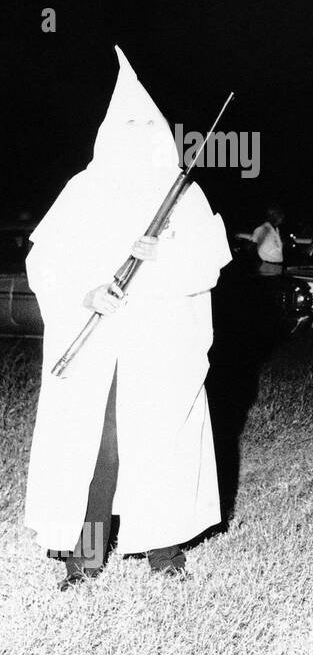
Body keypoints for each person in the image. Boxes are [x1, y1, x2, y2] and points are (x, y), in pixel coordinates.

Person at [24, 47, 232, 589]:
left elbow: (211, 260)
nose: (138, 133)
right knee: (100, 447)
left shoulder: (182, 193)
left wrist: (164, 256)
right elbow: (46, 259)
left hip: (161, 344)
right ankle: (86, 559)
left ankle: (163, 551)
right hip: (99, 351)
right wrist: (87, 292)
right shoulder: (83, 189)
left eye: (148, 123)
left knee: (161, 440)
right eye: (127, 123)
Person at [250, 204, 285, 275]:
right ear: (273, 216)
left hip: (278, 266)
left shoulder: (277, 230)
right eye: (280, 216)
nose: (281, 218)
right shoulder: (262, 229)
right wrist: (257, 264)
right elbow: (252, 247)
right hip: (267, 266)